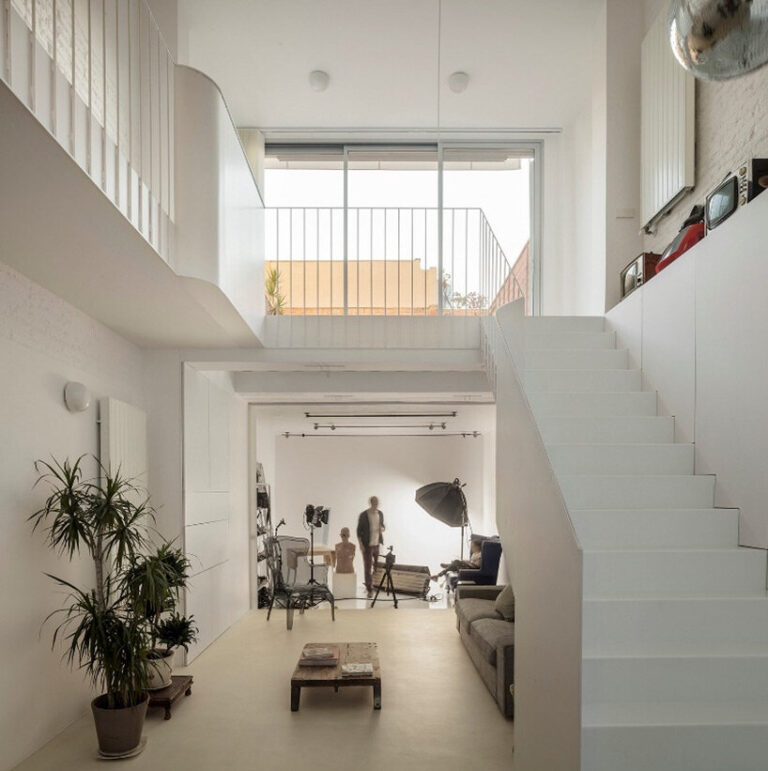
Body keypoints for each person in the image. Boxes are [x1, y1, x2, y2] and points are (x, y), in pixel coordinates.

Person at [356, 496, 385, 596]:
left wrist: (382, 528)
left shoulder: (380, 514)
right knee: (367, 567)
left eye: (377, 502)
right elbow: (359, 531)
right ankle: (369, 589)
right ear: (370, 503)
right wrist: (361, 545)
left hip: (377, 544)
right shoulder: (364, 515)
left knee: (376, 566)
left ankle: (374, 584)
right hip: (367, 545)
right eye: (374, 502)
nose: (376, 504)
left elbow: (383, 525)